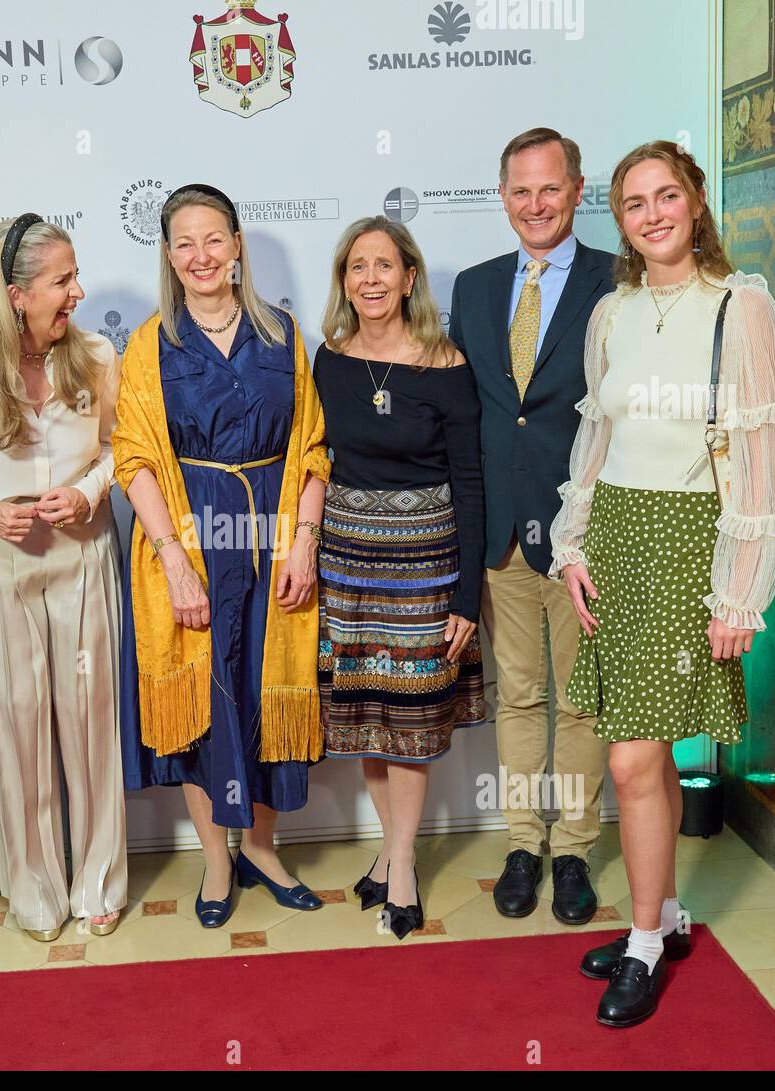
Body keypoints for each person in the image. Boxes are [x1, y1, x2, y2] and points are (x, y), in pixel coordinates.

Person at [551, 141, 775, 1026]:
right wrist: (573, 543)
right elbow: (597, 439)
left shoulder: (743, 306)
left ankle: (647, 941)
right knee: (636, 750)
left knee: (631, 758)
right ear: (618, 220)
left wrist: (742, 592)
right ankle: (662, 918)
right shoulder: (612, 311)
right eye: (633, 203)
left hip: (690, 540)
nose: (652, 213)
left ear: (695, 202)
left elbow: (766, 460)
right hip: (617, 534)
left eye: (666, 195)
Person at [113, 183, 329, 928]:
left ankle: (262, 849)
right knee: (203, 702)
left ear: (238, 244)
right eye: (184, 243)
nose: (201, 256)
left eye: (214, 239)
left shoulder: (284, 336)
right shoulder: (149, 344)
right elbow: (134, 456)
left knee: (269, 694)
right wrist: (172, 558)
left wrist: (304, 541)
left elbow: (311, 448)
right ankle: (214, 858)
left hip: (273, 536)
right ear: (169, 256)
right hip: (193, 533)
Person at [0, 216, 127, 942]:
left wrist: (88, 492)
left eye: (75, 275)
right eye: (62, 280)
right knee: (17, 722)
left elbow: (117, 451)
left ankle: (99, 877)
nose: (78, 290)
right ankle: (34, 884)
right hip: (1, 563)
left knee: (91, 720)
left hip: (82, 554)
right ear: (15, 294)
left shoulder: (99, 354)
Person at [447, 127, 617, 925]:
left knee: (580, 702)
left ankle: (577, 849)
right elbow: (482, 415)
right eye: (521, 190)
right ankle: (523, 842)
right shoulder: (475, 289)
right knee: (518, 696)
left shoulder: (618, 283)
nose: (535, 204)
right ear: (503, 196)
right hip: (502, 537)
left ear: (578, 190)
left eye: (550, 189)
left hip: (584, 535)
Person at [315, 217, 487, 939]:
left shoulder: (444, 365)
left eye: (385, 265)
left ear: (410, 277)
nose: (372, 279)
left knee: (411, 722)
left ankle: (404, 866)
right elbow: (319, 459)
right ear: (344, 280)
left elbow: (471, 481)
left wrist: (466, 595)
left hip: (425, 565)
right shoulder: (328, 359)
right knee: (368, 718)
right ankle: (389, 855)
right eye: (359, 266)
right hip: (348, 564)